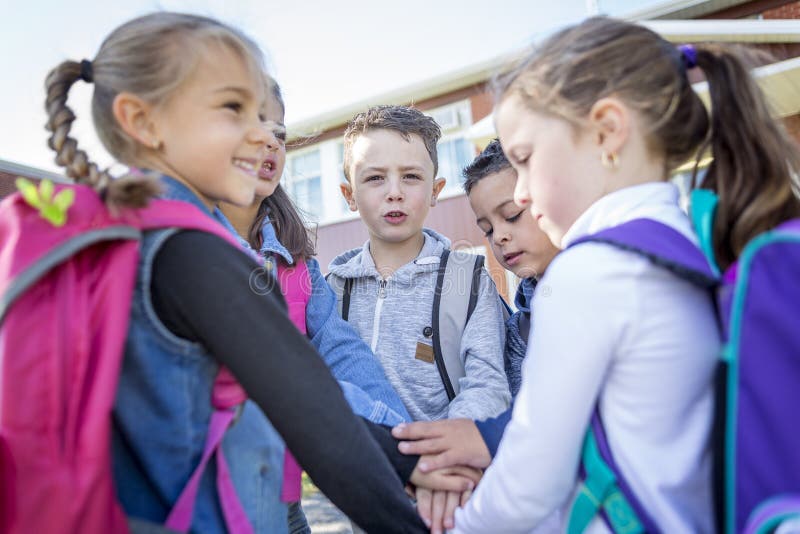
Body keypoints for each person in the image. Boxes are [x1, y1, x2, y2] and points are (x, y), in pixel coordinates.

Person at [40, 12, 472, 533]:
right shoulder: (191, 252)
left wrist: (408, 454)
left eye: (266, 119)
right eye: (232, 108)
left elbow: (329, 374)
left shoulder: (126, 232)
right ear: (143, 122)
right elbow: (310, 410)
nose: (260, 134)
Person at [448, 16, 764, 532]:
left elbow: (529, 486)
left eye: (525, 159)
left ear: (607, 131)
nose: (521, 191)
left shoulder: (591, 273)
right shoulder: (690, 245)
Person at [217, 83, 411, 533]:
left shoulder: (296, 260)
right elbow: (285, 374)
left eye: (279, 133)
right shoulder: (200, 250)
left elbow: (341, 351)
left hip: (281, 498)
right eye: (251, 126)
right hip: (215, 494)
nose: (269, 141)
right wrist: (401, 457)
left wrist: (401, 439)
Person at [392, 139, 559, 532]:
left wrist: (486, 435)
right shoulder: (514, 320)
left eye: (512, 216)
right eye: (486, 228)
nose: (499, 237)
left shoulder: (591, 292)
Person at [326, 105, 510, 425]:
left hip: (444, 466)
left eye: (411, 177)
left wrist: (435, 457)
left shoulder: (469, 281)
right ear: (349, 195)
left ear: (435, 191)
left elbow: (488, 387)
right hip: (360, 468)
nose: (394, 193)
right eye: (375, 178)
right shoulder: (331, 291)